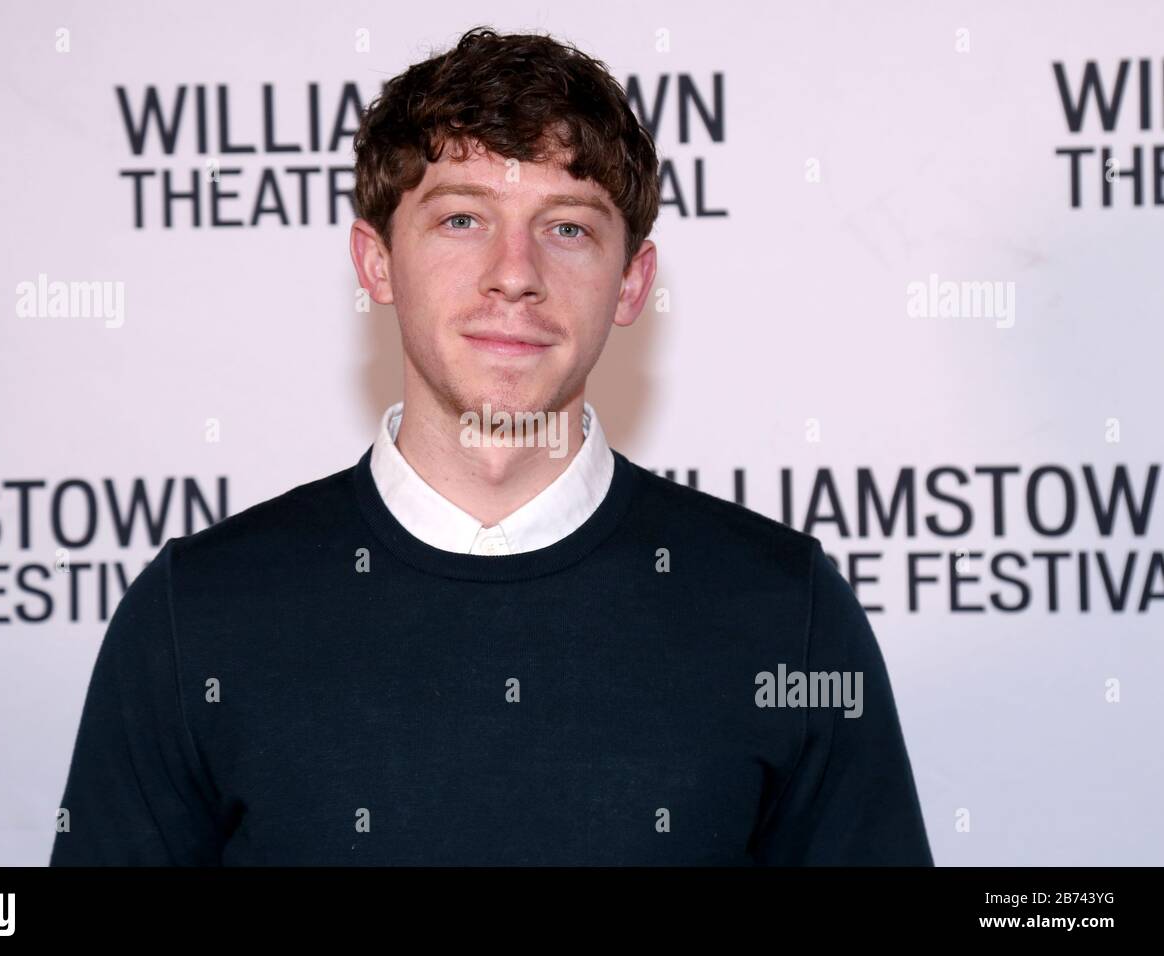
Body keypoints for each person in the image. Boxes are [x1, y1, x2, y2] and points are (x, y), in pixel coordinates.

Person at [50, 25, 933, 866]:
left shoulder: (785, 612)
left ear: (632, 283)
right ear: (376, 263)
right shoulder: (195, 615)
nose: (515, 273)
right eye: (462, 219)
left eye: (568, 227)